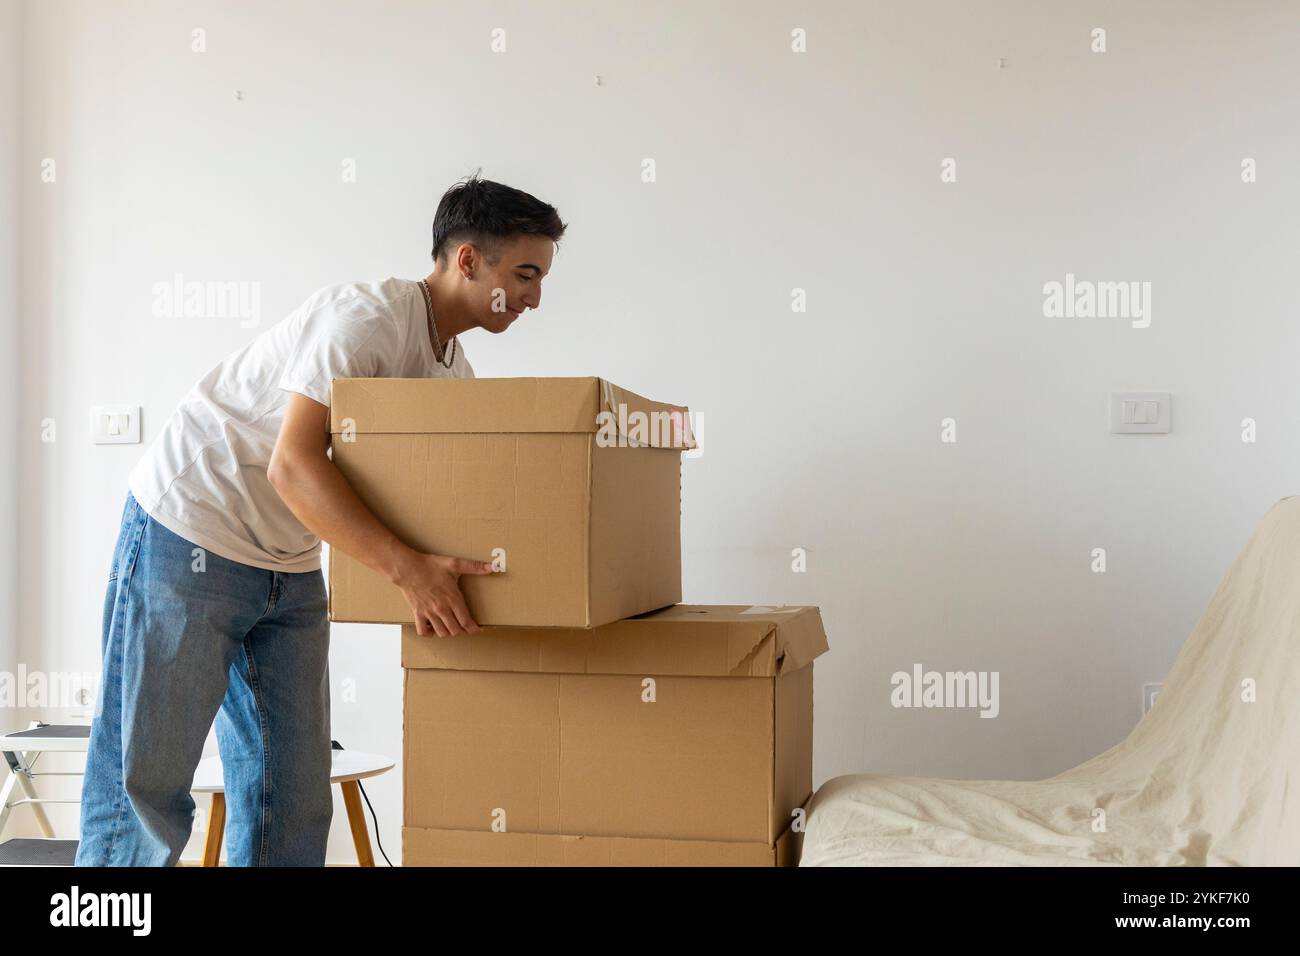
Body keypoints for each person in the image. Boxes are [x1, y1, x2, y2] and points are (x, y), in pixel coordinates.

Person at [75, 173, 566, 866]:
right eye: (523, 274)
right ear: (466, 261)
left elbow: (427, 508)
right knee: (148, 787)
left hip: (289, 564)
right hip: (191, 531)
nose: (534, 297)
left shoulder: (452, 375)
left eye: (541, 278)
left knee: (294, 796)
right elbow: (294, 465)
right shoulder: (367, 319)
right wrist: (410, 575)